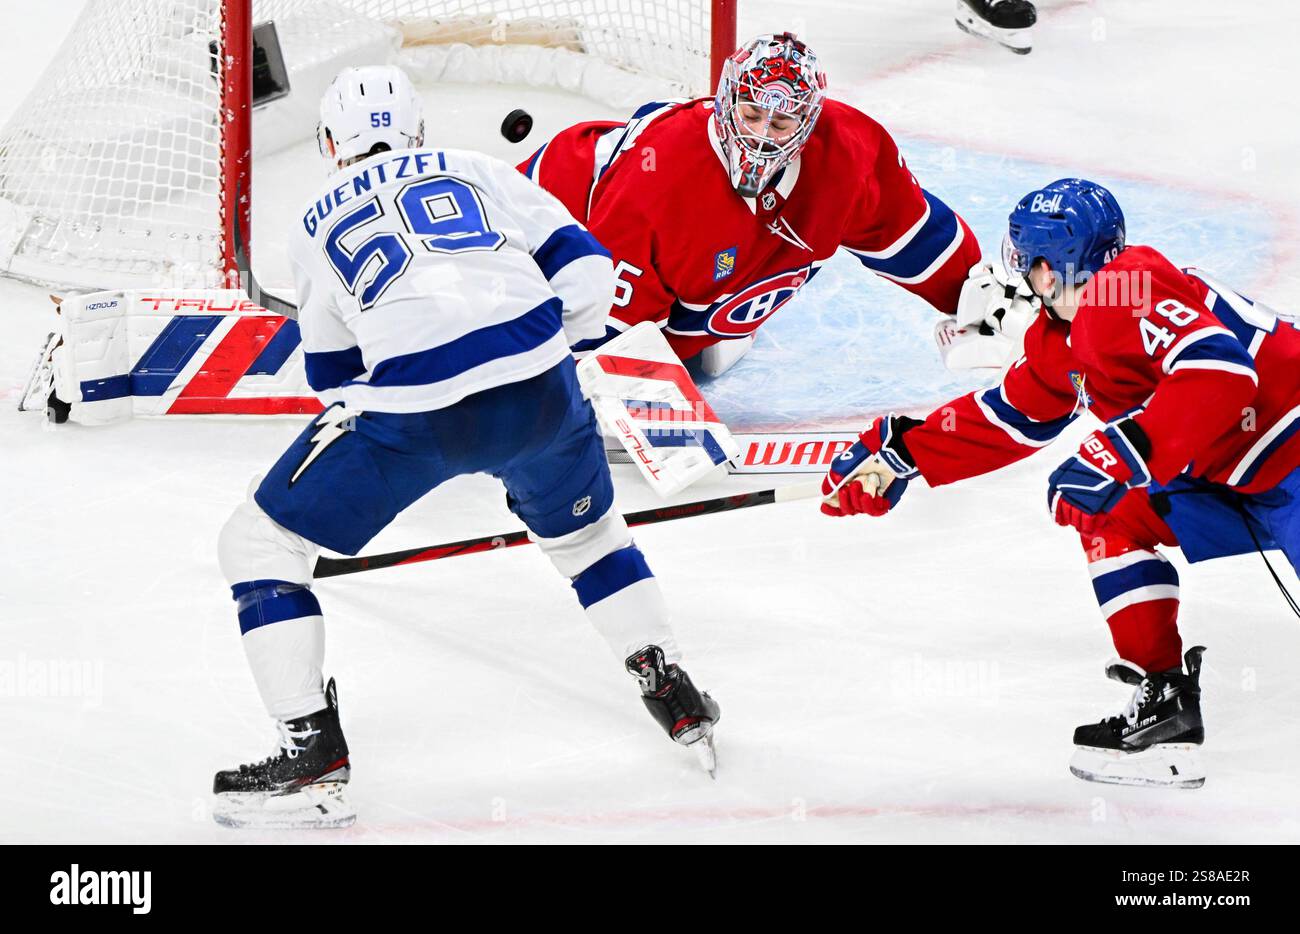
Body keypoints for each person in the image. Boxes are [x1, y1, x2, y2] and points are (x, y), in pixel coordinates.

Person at [212, 66, 719, 828]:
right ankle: (667, 684)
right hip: (542, 388)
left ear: (328, 144)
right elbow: (588, 271)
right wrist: (550, 359)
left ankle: (313, 753)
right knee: (585, 536)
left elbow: (332, 375)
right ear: (418, 132)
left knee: (257, 544)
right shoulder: (481, 168)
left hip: (416, 418)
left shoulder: (314, 219)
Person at [820, 177, 1300, 788]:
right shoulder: (1068, 336)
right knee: (1106, 512)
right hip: (1243, 478)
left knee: (1111, 487)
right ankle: (1166, 706)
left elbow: (1220, 370)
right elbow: (1012, 415)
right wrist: (901, 452)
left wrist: (1126, 450)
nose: (1020, 273)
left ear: (1053, 266)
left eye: (1026, 258)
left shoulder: (1126, 288)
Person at [517, 32, 986, 375]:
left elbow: (910, 233)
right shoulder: (659, 178)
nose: (761, 135)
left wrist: (979, 302)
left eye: (781, 123)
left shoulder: (845, 152)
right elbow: (601, 317)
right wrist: (592, 387)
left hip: (707, 293)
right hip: (543, 234)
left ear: (809, 121)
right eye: (752, 113)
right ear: (727, 100)